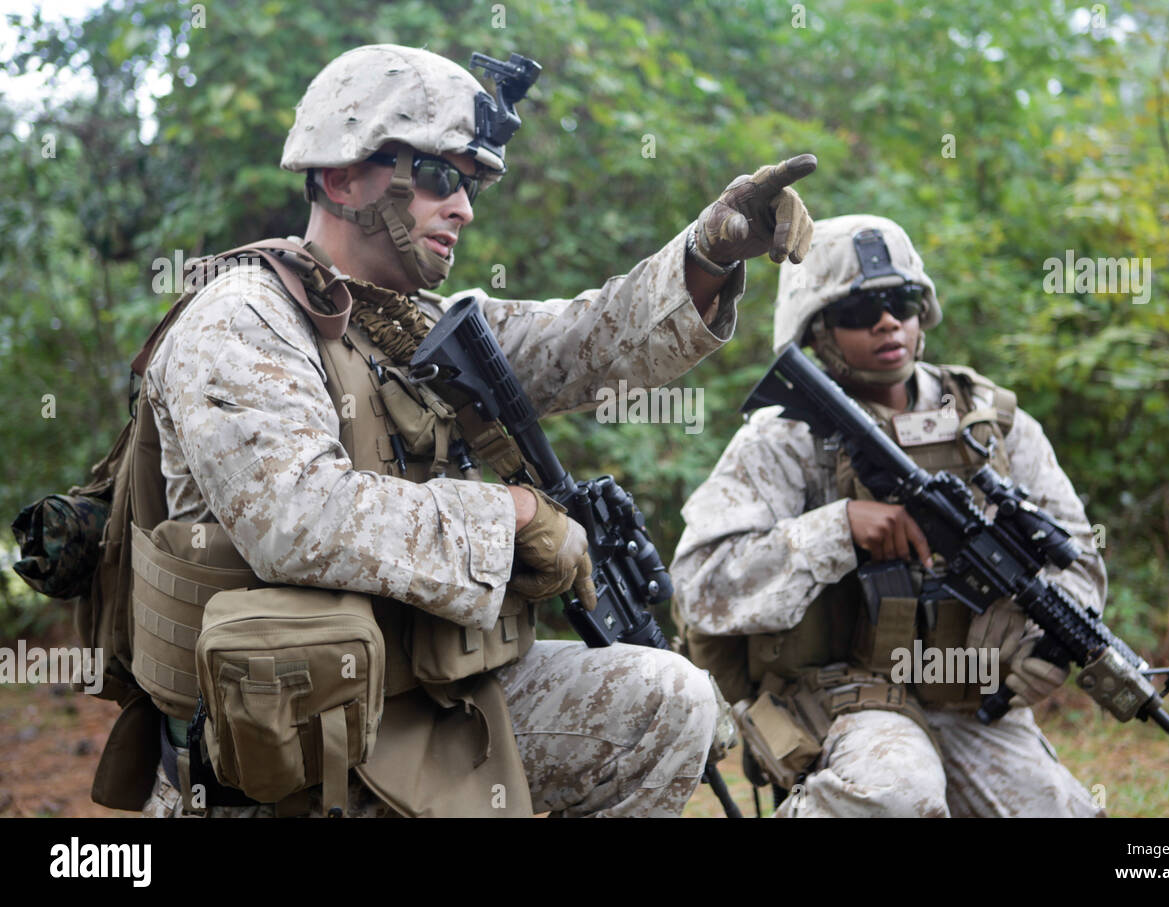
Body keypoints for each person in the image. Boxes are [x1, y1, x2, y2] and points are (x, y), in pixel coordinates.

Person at [119, 44, 814, 817]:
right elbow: (294, 516)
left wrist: (709, 251)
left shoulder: (405, 325)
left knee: (665, 701)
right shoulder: (241, 318)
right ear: (344, 175)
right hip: (286, 754)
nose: (464, 207)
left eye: (471, 184)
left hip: (421, 699)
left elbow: (584, 342)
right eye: (440, 177)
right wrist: (513, 518)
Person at [671, 214, 1105, 817]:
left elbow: (1077, 556)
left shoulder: (994, 427)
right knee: (895, 794)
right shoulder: (782, 439)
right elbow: (699, 587)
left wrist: (1048, 647)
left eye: (901, 302)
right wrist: (837, 529)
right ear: (817, 328)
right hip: (841, 697)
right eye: (858, 311)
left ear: (922, 313)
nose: (886, 322)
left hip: (965, 696)